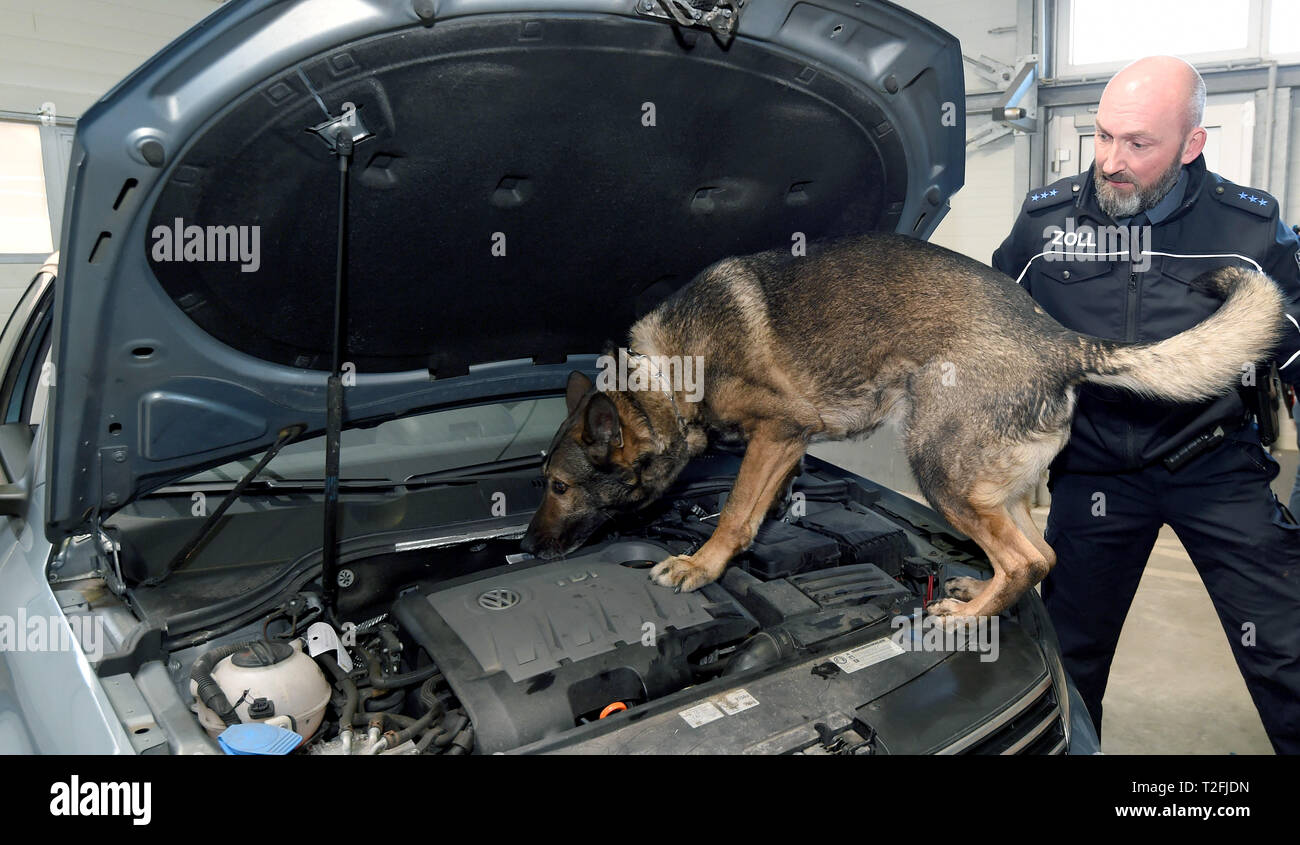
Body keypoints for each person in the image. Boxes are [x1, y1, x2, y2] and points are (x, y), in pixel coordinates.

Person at [992, 55, 1300, 754]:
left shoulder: (1249, 232)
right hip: (1094, 472)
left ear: (1192, 144)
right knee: (1066, 659)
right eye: (1103, 137)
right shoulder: (1045, 225)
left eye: (1138, 144)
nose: (1111, 161)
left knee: (1284, 645)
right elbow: (991, 327)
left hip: (1212, 464)